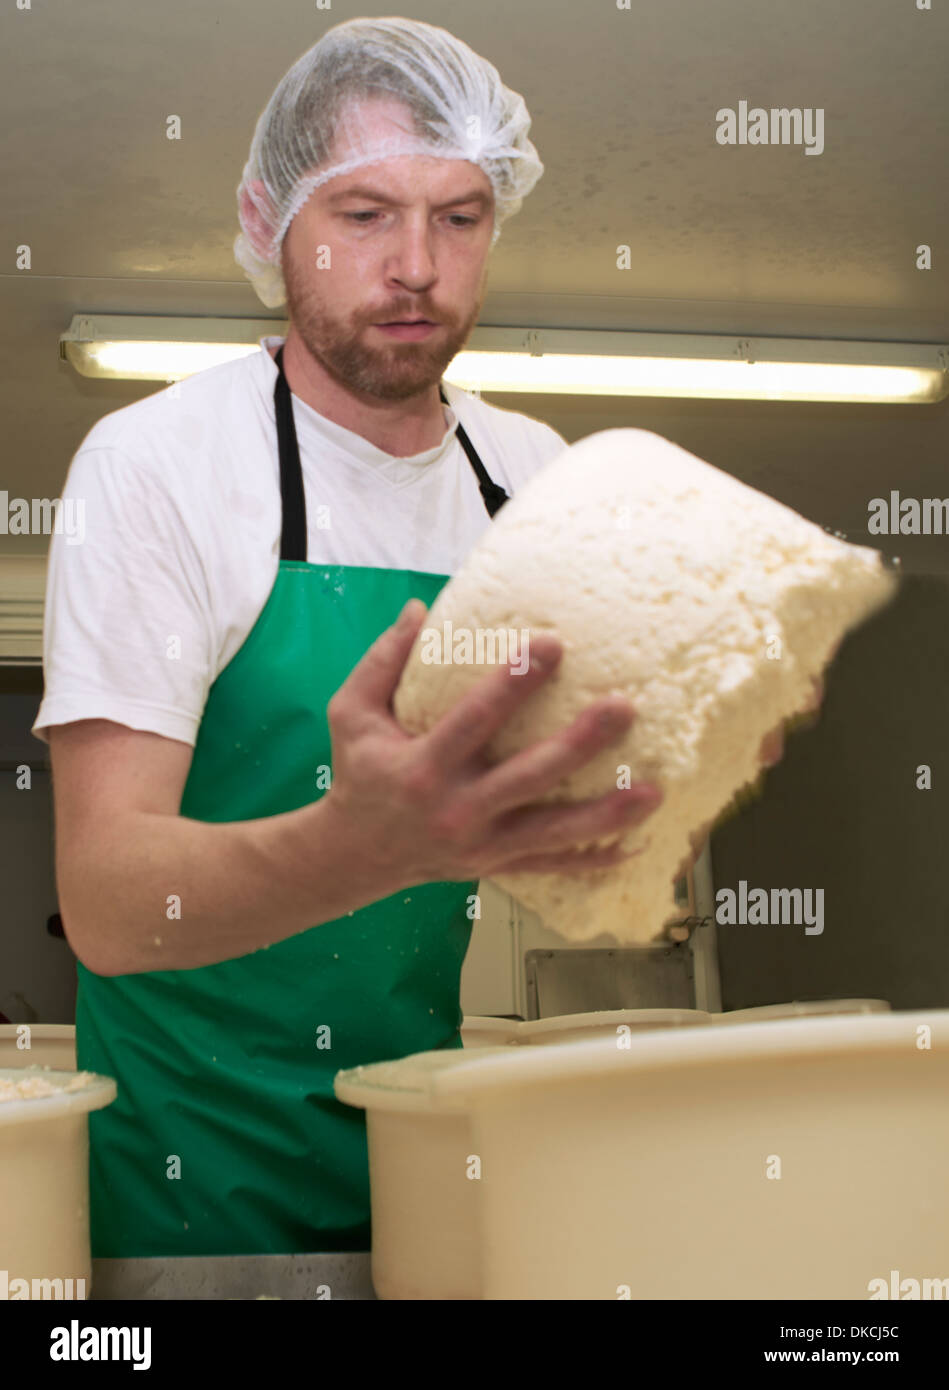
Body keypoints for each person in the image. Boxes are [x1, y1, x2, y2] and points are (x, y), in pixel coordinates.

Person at [33, 17, 789, 1258]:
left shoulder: (532, 474)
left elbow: (589, 844)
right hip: (193, 1196)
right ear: (271, 221)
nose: (418, 267)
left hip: (432, 1152)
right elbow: (111, 901)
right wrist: (354, 842)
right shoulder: (160, 464)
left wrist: (670, 779)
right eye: (365, 214)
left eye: (460, 216)